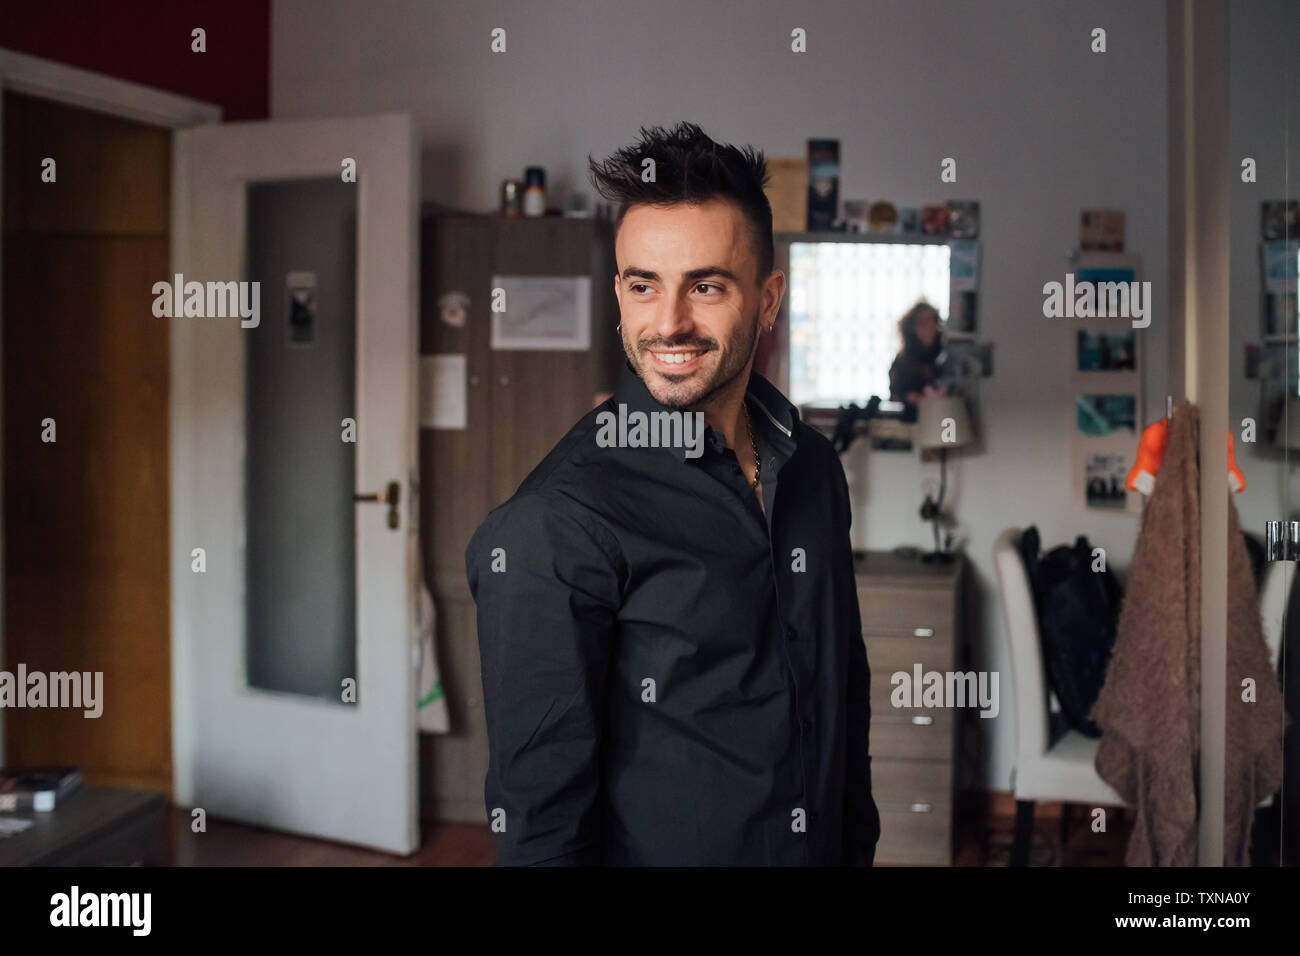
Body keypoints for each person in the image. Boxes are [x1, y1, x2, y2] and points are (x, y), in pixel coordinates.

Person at [465, 121, 880, 866]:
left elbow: (842, 688)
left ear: (768, 298)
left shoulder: (814, 469)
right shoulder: (555, 525)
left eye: (707, 285)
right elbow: (540, 832)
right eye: (642, 286)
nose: (668, 323)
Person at [888, 301, 945, 420]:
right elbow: (895, 392)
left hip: (942, 416)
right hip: (914, 418)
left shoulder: (944, 353)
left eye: (933, 321)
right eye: (923, 322)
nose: (929, 326)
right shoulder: (903, 360)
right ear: (913, 327)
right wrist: (909, 397)